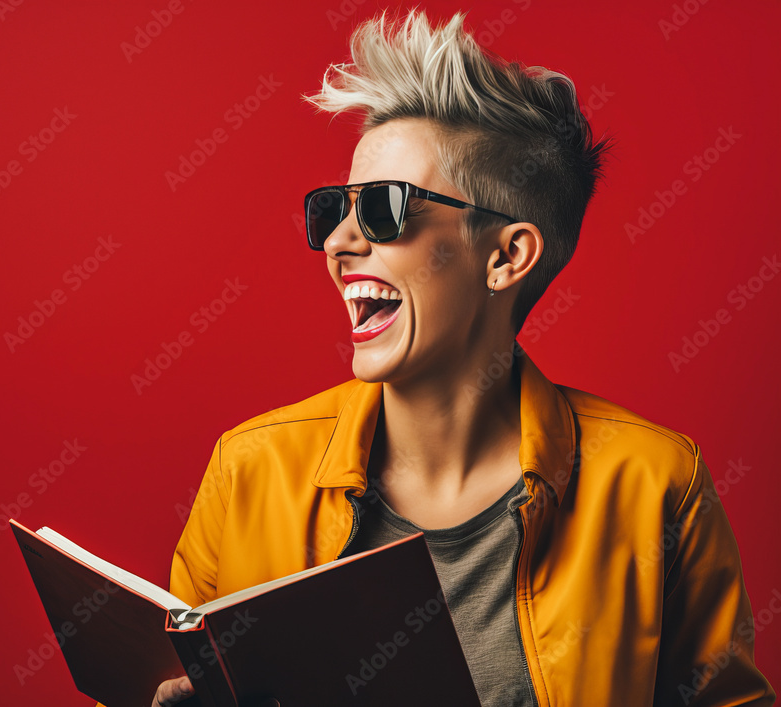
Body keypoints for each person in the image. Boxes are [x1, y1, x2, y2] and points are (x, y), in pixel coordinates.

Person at [142, 9, 776, 707]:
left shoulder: (657, 486)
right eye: (335, 209)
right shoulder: (248, 471)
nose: (338, 243)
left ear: (507, 256)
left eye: (384, 209)